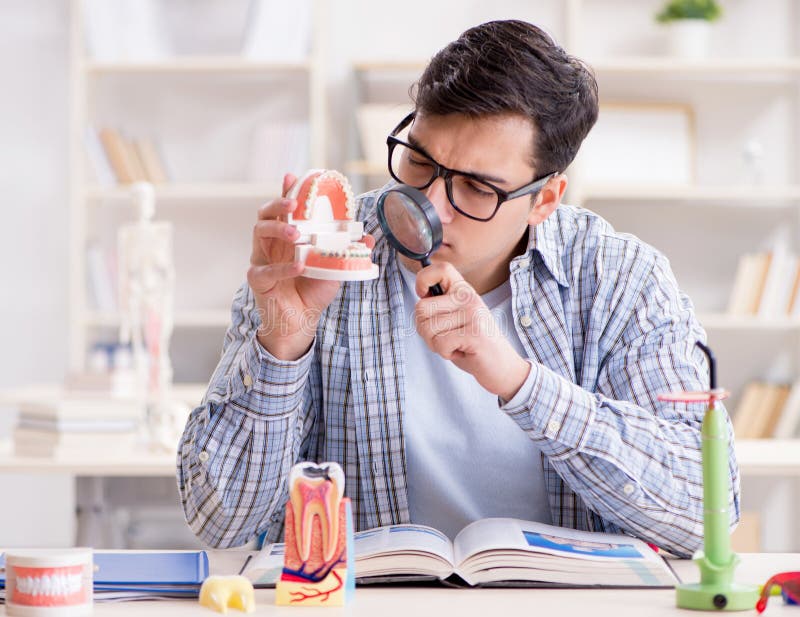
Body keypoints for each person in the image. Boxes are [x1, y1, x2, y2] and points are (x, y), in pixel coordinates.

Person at [177, 19, 739, 557]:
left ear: (544, 199)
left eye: (475, 188)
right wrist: (283, 340)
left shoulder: (620, 278)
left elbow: (703, 512)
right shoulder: (317, 254)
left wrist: (518, 382)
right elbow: (220, 522)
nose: (429, 207)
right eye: (419, 162)